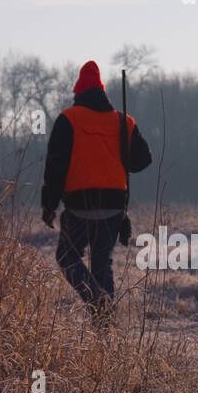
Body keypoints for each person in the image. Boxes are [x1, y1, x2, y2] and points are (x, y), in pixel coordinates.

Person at [41, 60, 152, 318]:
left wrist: (49, 205)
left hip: (79, 205)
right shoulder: (123, 121)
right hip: (114, 207)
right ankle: (106, 329)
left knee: (67, 258)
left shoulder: (68, 119)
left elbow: (55, 166)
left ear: (78, 93)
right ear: (103, 92)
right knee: (103, 267)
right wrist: (121, 153)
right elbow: (142, 160)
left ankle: (96, 299)